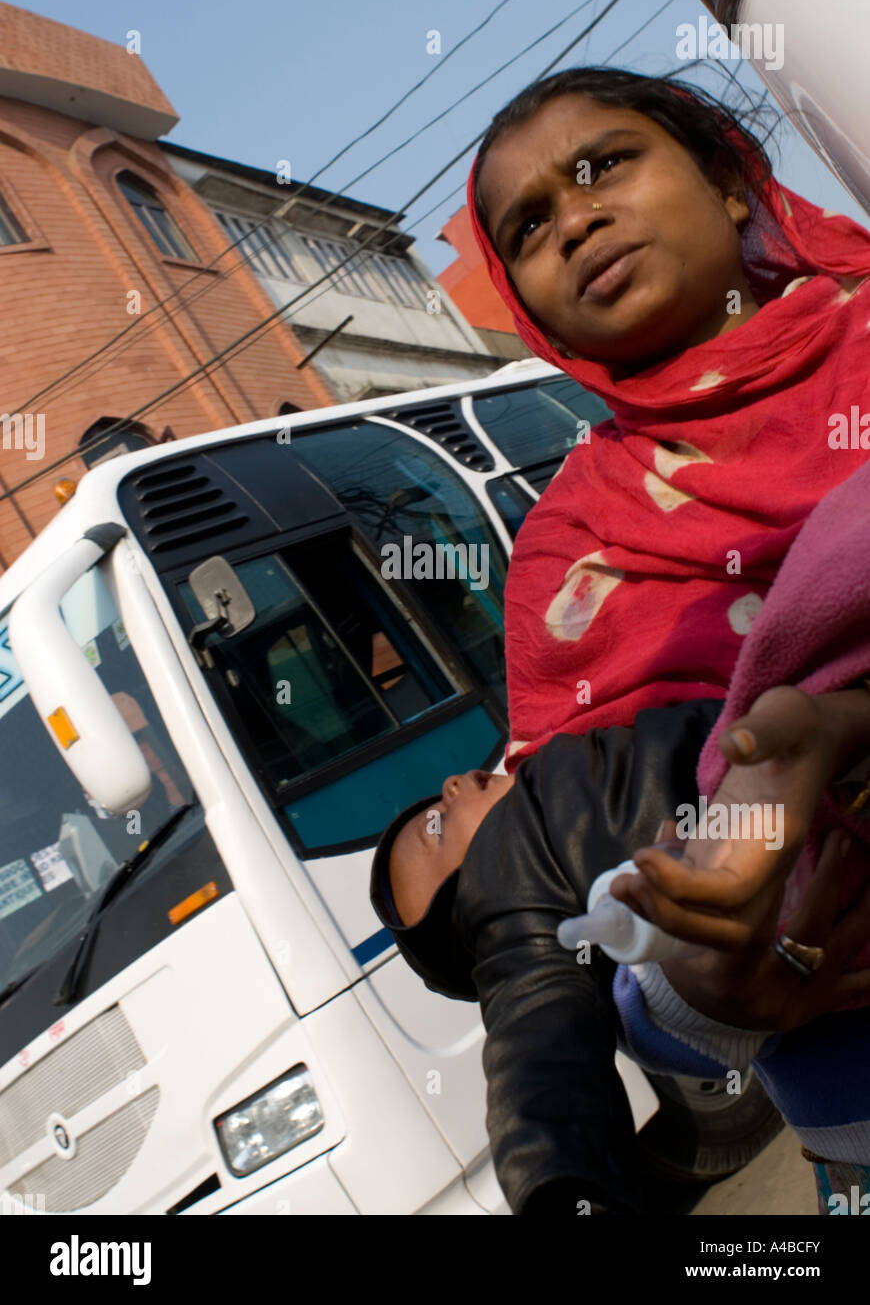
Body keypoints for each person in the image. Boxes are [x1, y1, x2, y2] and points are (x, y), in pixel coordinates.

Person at [465, 67, 870, 775]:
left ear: (725, 185)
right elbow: (596, 818)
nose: (574, 223)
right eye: (529, 227)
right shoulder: (573, 543)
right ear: (540, 327)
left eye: (608, 166)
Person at [370, 684, 870, 1216]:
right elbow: (538, 1053)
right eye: (436, 828)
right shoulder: (609, 958)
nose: (447, 786)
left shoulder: (573, 761)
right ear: (492, 915)